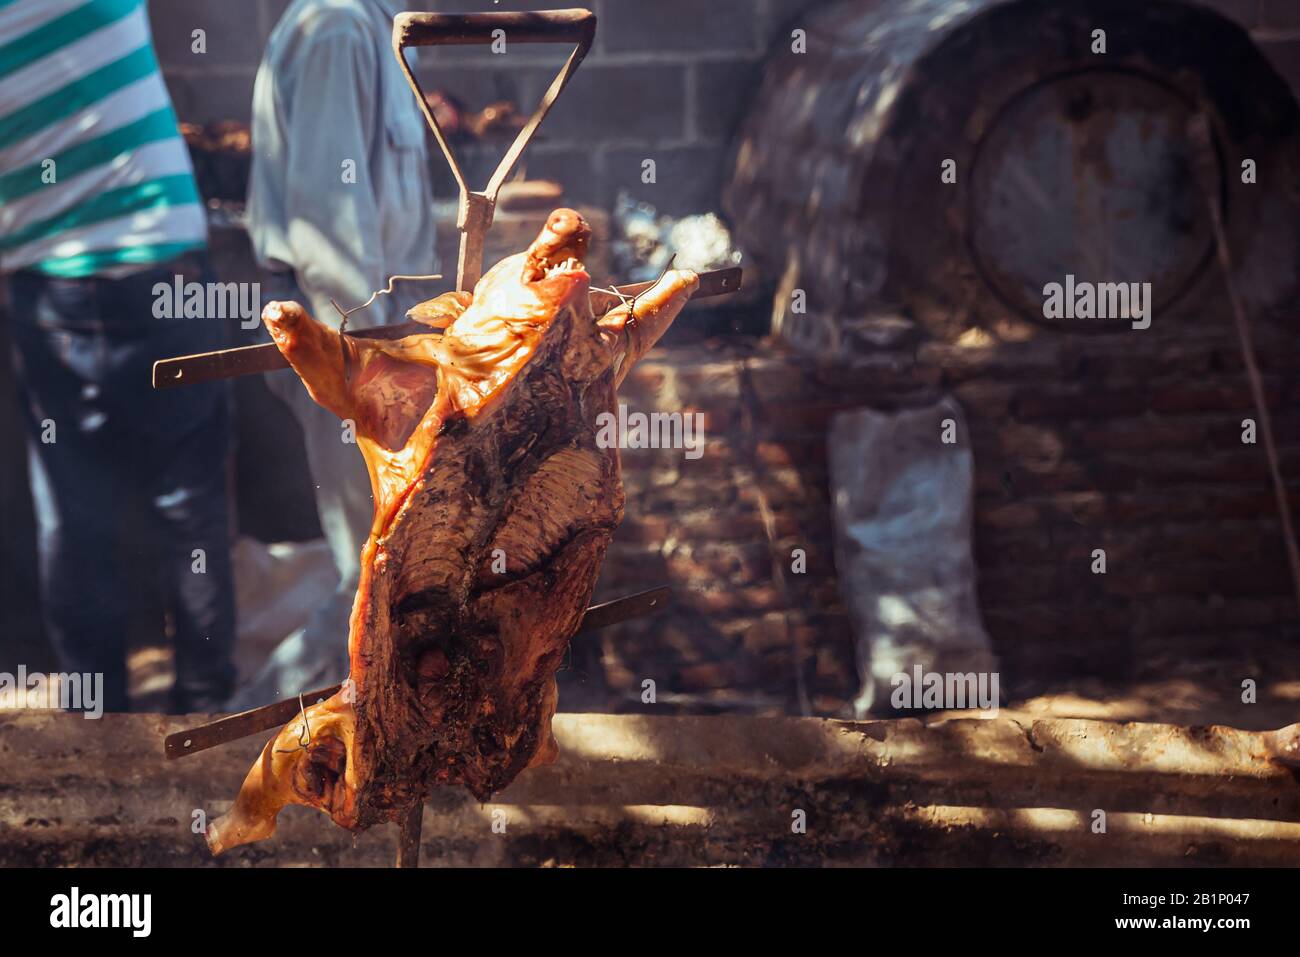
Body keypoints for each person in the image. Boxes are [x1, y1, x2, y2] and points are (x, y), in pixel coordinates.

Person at [0, 0, 236, 711]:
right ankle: (203, 710)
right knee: (188, 505)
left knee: (76, 517)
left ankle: (95, 719)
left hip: (53, 291)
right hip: (162, 265)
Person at [230, 0, 437, 708]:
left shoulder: (375, 25)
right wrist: (376, 379)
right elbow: (333, 240)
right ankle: (235, 731)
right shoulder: (339, 29)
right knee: (375, 577)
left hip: (375, 340)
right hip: (346, 345)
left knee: (381, 570)